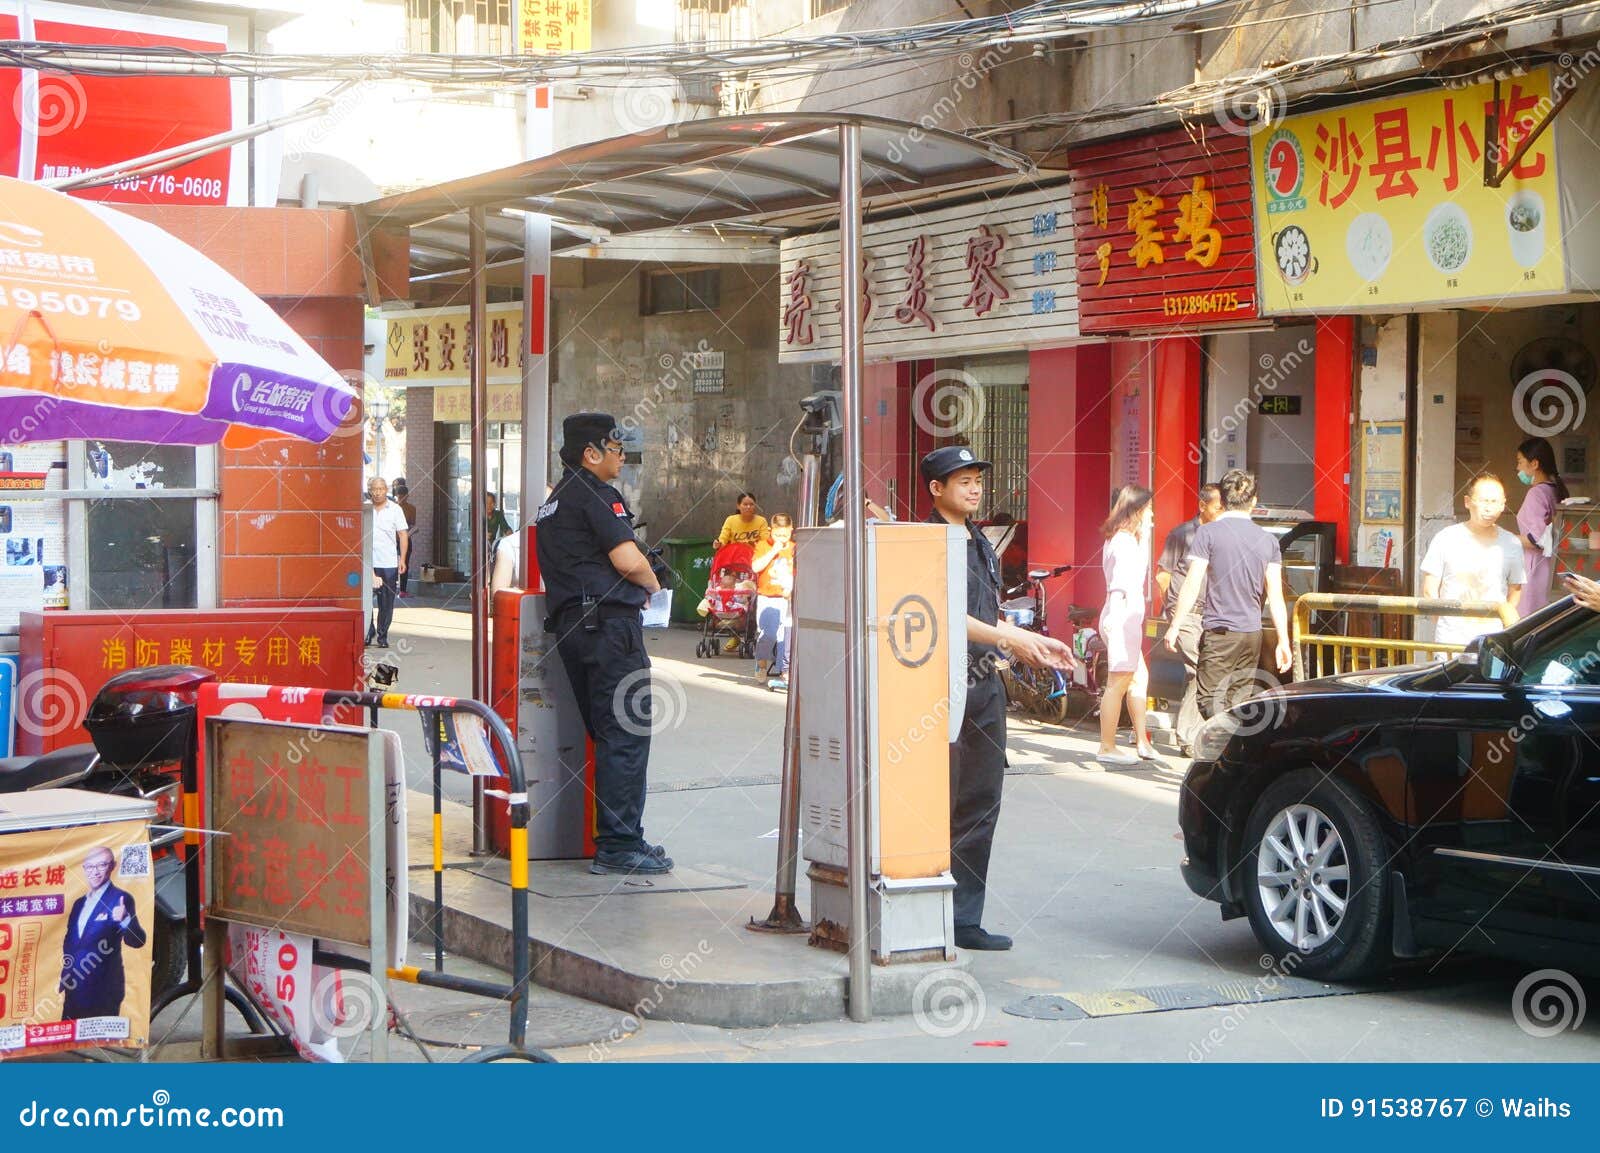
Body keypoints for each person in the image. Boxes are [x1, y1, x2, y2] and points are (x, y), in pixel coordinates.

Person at [923, 445, 1074, 952]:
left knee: (982, 798)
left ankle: (964, 918)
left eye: (976, 479)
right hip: (942, 685)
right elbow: (941, 616)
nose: (973, 487)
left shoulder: (979, 542)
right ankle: (925, 908)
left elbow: (985, 615)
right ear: (935, 490)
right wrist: (1011, 640)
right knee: (936, 800)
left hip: (985, 683)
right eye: (961, 480)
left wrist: (1032, 643)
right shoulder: (929, 543)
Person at [535, 413, 669, 876]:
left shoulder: (552, 504)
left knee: (609, 734)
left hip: (575, 628)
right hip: (611, 628)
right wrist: (654, 586)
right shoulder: (596, 494)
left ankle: (625, 836)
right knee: (626, 734)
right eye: (615, 447)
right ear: (591, 454)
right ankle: (618, 845)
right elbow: (628, 559)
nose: (622, 455)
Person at [1162, 469, 1292, 718]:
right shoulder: (1268, 540)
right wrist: (1283, 642)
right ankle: (1231, 749)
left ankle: (1221, 750)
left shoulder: (1208, 533)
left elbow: (1192, 583)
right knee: (1237, 701)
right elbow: (1276, 596)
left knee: (1209, 700)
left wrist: (1175, 624)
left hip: (1220, 632)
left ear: (1222, 498)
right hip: (1252, 635)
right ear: (1254, 501)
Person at [1155, 483, 1223, 755]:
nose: (1221, 513)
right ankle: (1193, 735)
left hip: (1212, 614)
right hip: (1186, 614)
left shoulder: (1222, 535)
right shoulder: (1182, 534)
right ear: (1202, 506)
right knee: (1205, 668)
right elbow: (1163, 576)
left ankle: (1189, 735)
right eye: (1218, 508)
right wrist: (1174, 612)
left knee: (1198, 673)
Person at [1420, 472, 1524, 647]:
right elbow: (1430, 591)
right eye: (1484, 501)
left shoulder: (1511, 543)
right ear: (1467, 502)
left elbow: (1515, 590)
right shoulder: (1446, 538)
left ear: (1503, 505)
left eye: (1495, 502)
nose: (1489, 508)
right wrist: (1446, 626)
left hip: (1493, 640)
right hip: (1450, 641)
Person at [1097, 485, 1157, 767]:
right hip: (1122, 618)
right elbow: (1121, 585)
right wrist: (1114, 621)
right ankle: (1107, 747)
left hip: (1124, 617)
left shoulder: (1123, 539)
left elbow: (1138, 571)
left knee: (1137, 679)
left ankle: (1142, 741)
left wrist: (1144, 535)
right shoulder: (1123, 542)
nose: (1152, 513)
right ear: (1137, 511)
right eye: (1148, 509)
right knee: (1117, 683)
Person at [60, 846, 146, 1021]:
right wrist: (66, 975)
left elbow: (137, 941)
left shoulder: (121, 899)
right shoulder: (78, 903)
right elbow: (71, 942)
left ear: (112, 866)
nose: (96, 872)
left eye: (102, 865)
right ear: (84, 869)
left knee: (100, 1044)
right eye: (90, 867)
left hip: (104, 987)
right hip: (74, 987)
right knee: (69, 1039)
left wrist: (125, 920)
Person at [1514, 437, 1568, 615]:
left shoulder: (1536, 493)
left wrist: (1503, 537)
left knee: (1529, 623)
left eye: (1520, 462)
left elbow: (1536, 540)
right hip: (1551, 568)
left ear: (1534, 463)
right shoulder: (1554, 489)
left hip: (1535, 569)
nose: (1518, 468)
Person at [366, 476, 409, 649]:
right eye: (374, 489)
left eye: (381, 489)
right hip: (369, 562)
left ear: (386, 490)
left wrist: (402, 559)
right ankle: (368, 632)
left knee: (386, 602)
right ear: (370, 490)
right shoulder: (365, 508)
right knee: (366, 600)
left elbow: (403, 534)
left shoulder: (395, 509)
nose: (377, 492)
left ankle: (382, 635)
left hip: (389, 562)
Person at [753, 514, 795, 688]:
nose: (782, 539)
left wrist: (791, 590)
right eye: (778, 535)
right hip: (767, 597)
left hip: (787, 597)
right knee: (768, 634)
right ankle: (761, 661)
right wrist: (773, 551)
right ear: (771, 531)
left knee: (785, 637)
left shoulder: (794, 547)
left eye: (785, 535)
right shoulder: (763, 545)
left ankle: (784, 670)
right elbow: (755, 567)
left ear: (791, 531)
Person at [392, 477, 418, 595]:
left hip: (405, 539)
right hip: (392, 540)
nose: (400, 499)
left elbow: (413, 525)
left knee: (405, 563)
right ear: (396, 496)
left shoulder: (411, 508)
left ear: (407, 496)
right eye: (398, 496)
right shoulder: (391, 508)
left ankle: (402, 590)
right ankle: (391, 588)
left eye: (403, 496)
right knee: (391, 563)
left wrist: (409, 534)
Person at [485, 492, 513, 581]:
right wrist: (483, 534)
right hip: (480, 546)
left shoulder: (497, 514)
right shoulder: (478, 514)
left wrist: (510, 534)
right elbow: (471, 529)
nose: (489, 505)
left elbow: (506, 527)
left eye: (492, 503)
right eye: (487, 503)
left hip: (491, 547)